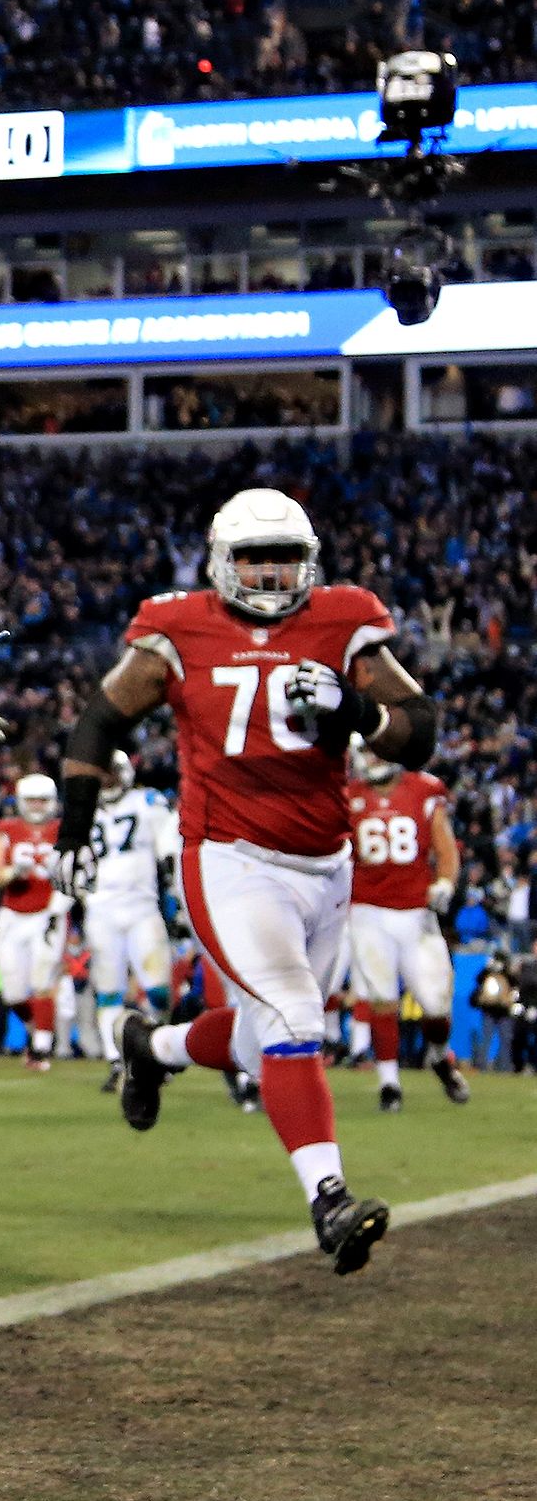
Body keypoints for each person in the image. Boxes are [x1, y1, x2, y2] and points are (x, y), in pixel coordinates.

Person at [55, 488, 438, 1275]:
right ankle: (328, 1198)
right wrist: (73, 825)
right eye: (254, 557)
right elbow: (100, 719)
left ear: (311, 562)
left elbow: (417, 732)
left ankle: (151, 1045)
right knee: (294, 1014)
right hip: (227, 854)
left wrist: (355, 713)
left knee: (272, 1029)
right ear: (220, 561)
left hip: (326, 860)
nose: (268, 574)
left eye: (284, 557)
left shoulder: (343, 618)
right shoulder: (175, 625)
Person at [344, 741, 469, 1110]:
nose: (375, 757)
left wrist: (445, 882)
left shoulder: (424, 790)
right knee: (382, 998)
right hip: (367, 912)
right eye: (368, 750)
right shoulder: (348, 797)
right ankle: (389, 1084)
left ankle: (438, 1054)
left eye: (379, 749)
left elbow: (445, 848)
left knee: (435, 1004)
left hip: (416, 914)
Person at [81, 751, 180, 1094]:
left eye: (111, 773)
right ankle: (116, 1062)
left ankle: (153, 1051)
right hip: (101, 908)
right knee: (109, 991)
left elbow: (169, 850)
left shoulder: (148, 801)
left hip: (142, 906)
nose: (107, 780)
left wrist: (176, 895)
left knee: (158, 989)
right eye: (103, 774)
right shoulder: (83, 805)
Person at [0, 775, 67, 1071]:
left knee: (44, 981)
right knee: (13, 992)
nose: (36, 806)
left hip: (48, 911)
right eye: (31, 800)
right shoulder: (6, 829)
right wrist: (11, 874)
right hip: (12, 914)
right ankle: (38, 1029)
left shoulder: (63, 829)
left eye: (42, 800)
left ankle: (42, 1046)